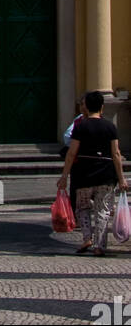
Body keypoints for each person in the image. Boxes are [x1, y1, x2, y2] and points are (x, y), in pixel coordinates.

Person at [58, 90, 127, 256]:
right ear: (102, 108)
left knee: (83, 208)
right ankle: (99, 246)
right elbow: (116, 154)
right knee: (103, 211)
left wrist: (64, 176)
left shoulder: (80, 126)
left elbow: (71, 153)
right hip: (105, 175)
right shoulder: (110, 126)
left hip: (83, 175)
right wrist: (121, 178)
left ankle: (87, 238)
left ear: (86, 108)